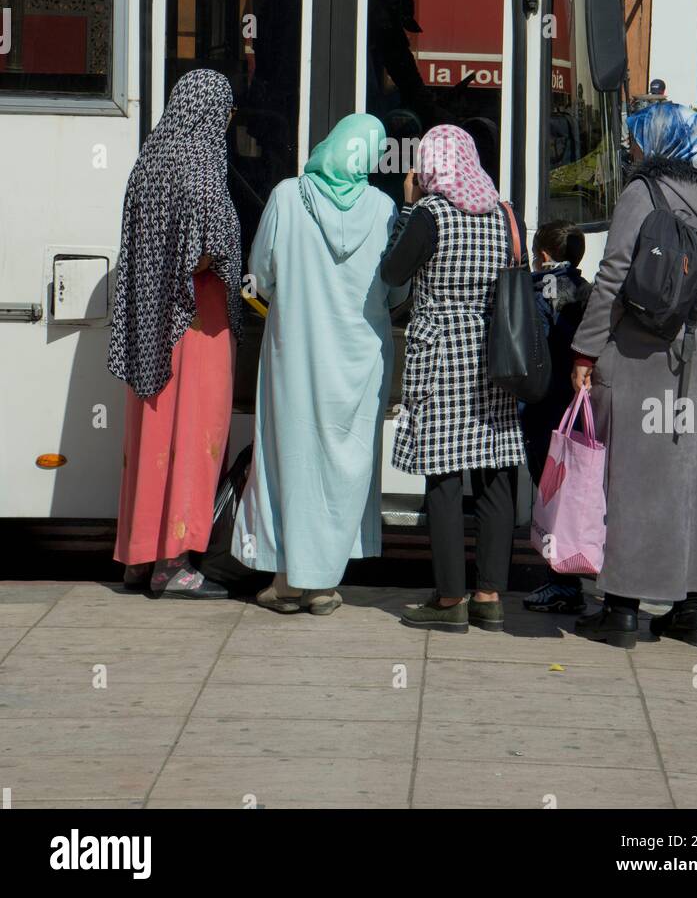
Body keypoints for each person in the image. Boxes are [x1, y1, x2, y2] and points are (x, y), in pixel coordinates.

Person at [570, 101, 697, 649]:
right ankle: (694, 608)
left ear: (659, 143)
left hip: (645, 350)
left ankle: (621, 607)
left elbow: (612, 277)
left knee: (636, 479)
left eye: (637, 140)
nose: (631, 149)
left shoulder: (642, 194)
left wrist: (585, 349)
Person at [231, 114, 405, 614]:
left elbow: (261, 274)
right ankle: (326, 583)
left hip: (297, 352)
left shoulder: (289, 196)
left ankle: (287, 581)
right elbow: (396, 287)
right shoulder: (384, 207)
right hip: (360, 358)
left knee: (292, 455)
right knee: (346, 464)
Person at [381, 124, 527, 634]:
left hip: (441, 351)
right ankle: (488, 594)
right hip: (495, 354)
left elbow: (393, 273)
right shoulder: (505, 213)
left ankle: (449, 599)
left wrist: (407, 206)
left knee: (443, 475)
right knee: (494, 470)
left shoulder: (430, 214)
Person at [108, 70, 242, 599]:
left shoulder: (148, 163)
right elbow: (210, 251)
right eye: (225, 112)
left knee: (151, 437)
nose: (228, 123)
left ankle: (138, 558)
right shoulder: (201, 167)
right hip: (195, 323)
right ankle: (173, 562)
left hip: (148, 329)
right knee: (194, 437)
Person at [521, 218, 591, 614]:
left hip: (544, 407)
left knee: (551, 492)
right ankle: (568, 577)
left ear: (543, 257)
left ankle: (562, 583)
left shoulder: (537, 292)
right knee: (572, 492)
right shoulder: (586, 289)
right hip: (577, 406)